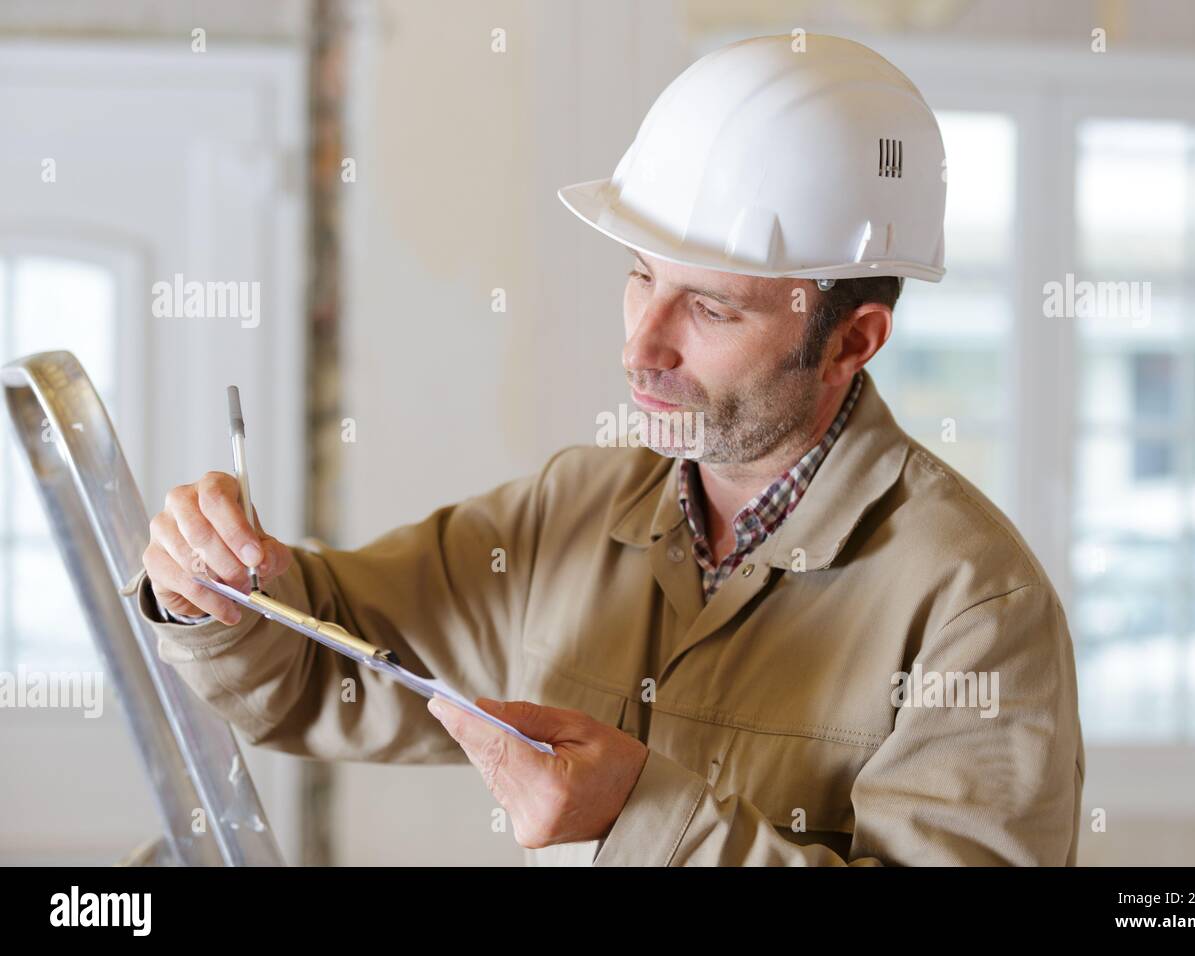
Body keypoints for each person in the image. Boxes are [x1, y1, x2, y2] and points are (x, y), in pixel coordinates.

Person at [131, 33, 1084, 866]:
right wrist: (217, 597)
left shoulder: (975, 607)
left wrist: (644, 817)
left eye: (708, 308)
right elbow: (330, 666)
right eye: (639, 276)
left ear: (851, 339)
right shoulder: (573, 510)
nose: (641, 346)